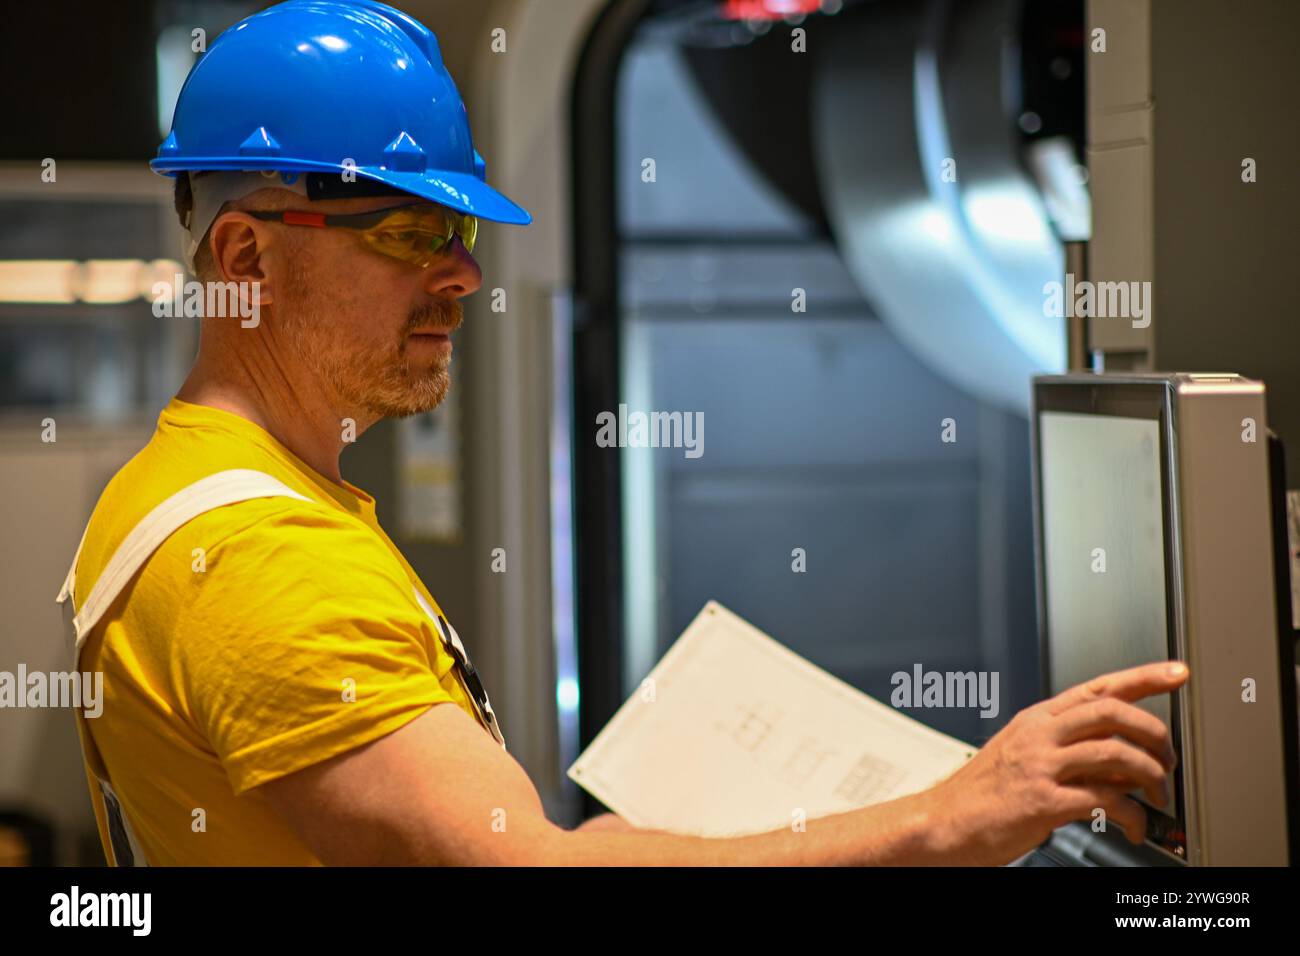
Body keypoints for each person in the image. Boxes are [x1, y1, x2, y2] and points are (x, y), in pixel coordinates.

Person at [59, 0, 1185, 866]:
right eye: (408, 231)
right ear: (247, 259)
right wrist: (950, 817)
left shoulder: (189, 484)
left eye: (459, 228)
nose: (463, 274)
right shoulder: (262, 564)